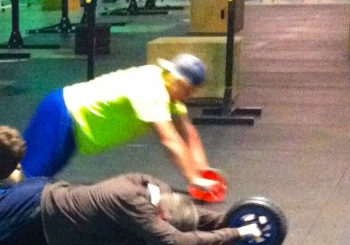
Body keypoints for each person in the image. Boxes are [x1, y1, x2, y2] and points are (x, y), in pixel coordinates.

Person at [17, 53, 218, 194]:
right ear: (178, 81)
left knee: (36, 181)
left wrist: (203, 170)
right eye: (189, 90)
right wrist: (193, 179)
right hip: (62, 115)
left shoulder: (171, 90)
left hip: (73, 125)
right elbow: (169, 140)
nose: (189, 97)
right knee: (27, 179)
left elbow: (188, 132)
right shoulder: (151, 89)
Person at [0, 173, 265, 245]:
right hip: (35, 208)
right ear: (159, 215)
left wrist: (231, 219)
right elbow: (177, 242)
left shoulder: (149, 187)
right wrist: (235, 234)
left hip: (46, 210)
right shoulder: (133, 206)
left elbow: (188, 213)